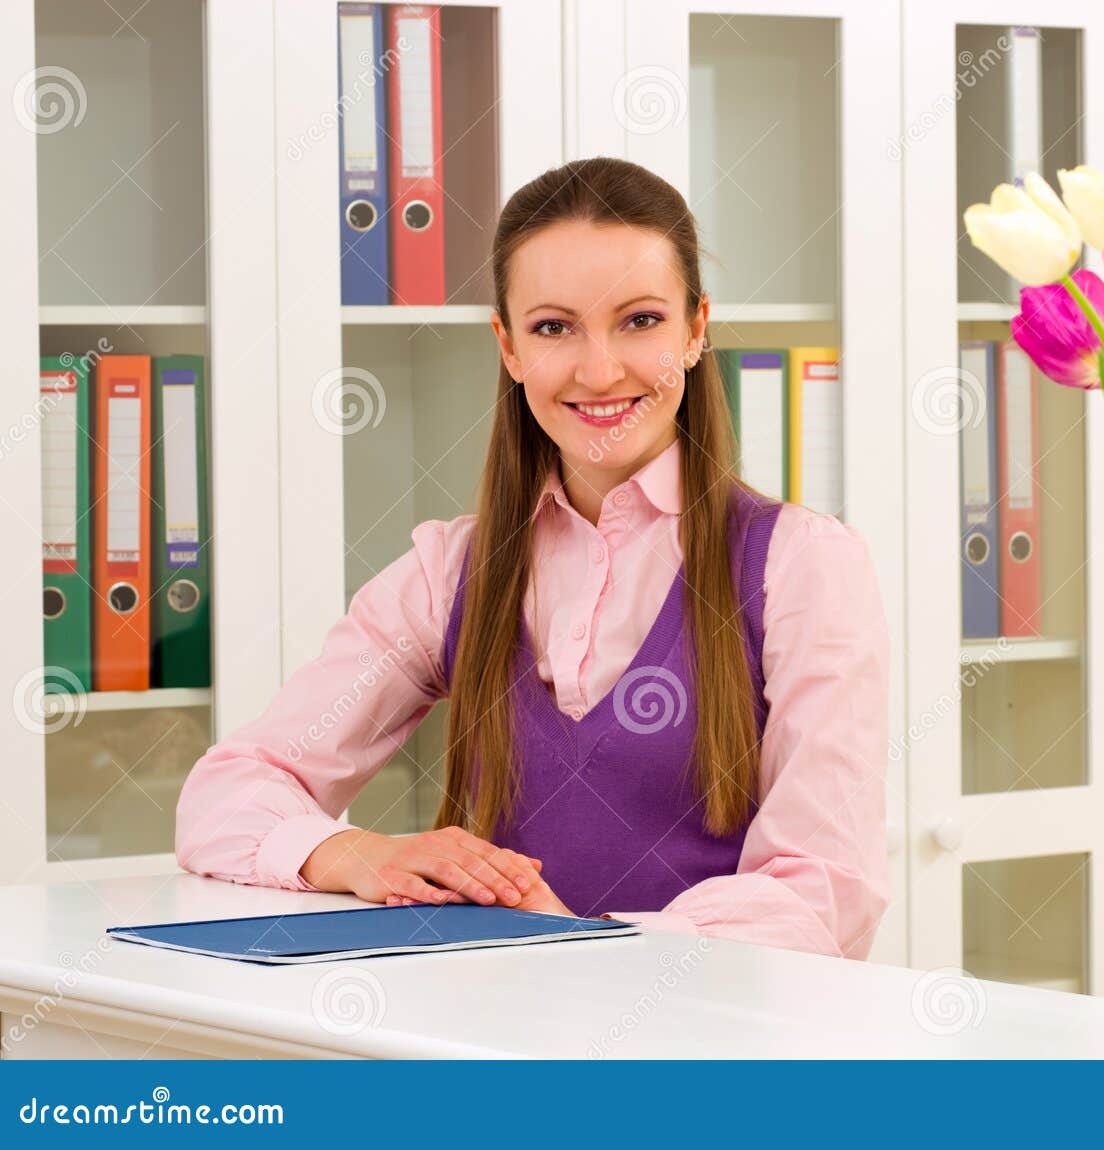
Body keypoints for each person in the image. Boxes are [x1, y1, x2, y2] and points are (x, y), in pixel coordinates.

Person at [175, 157, 890, 959]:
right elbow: (226, 792)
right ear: (508, 347)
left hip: (716, 1028)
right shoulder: (450, 570)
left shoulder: (802, 566)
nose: (599, 370)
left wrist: (591, 944)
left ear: (695, 331)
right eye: (554, 327)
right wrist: (355, 853)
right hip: (504, 1025)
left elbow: (826, 888)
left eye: (640, 320)